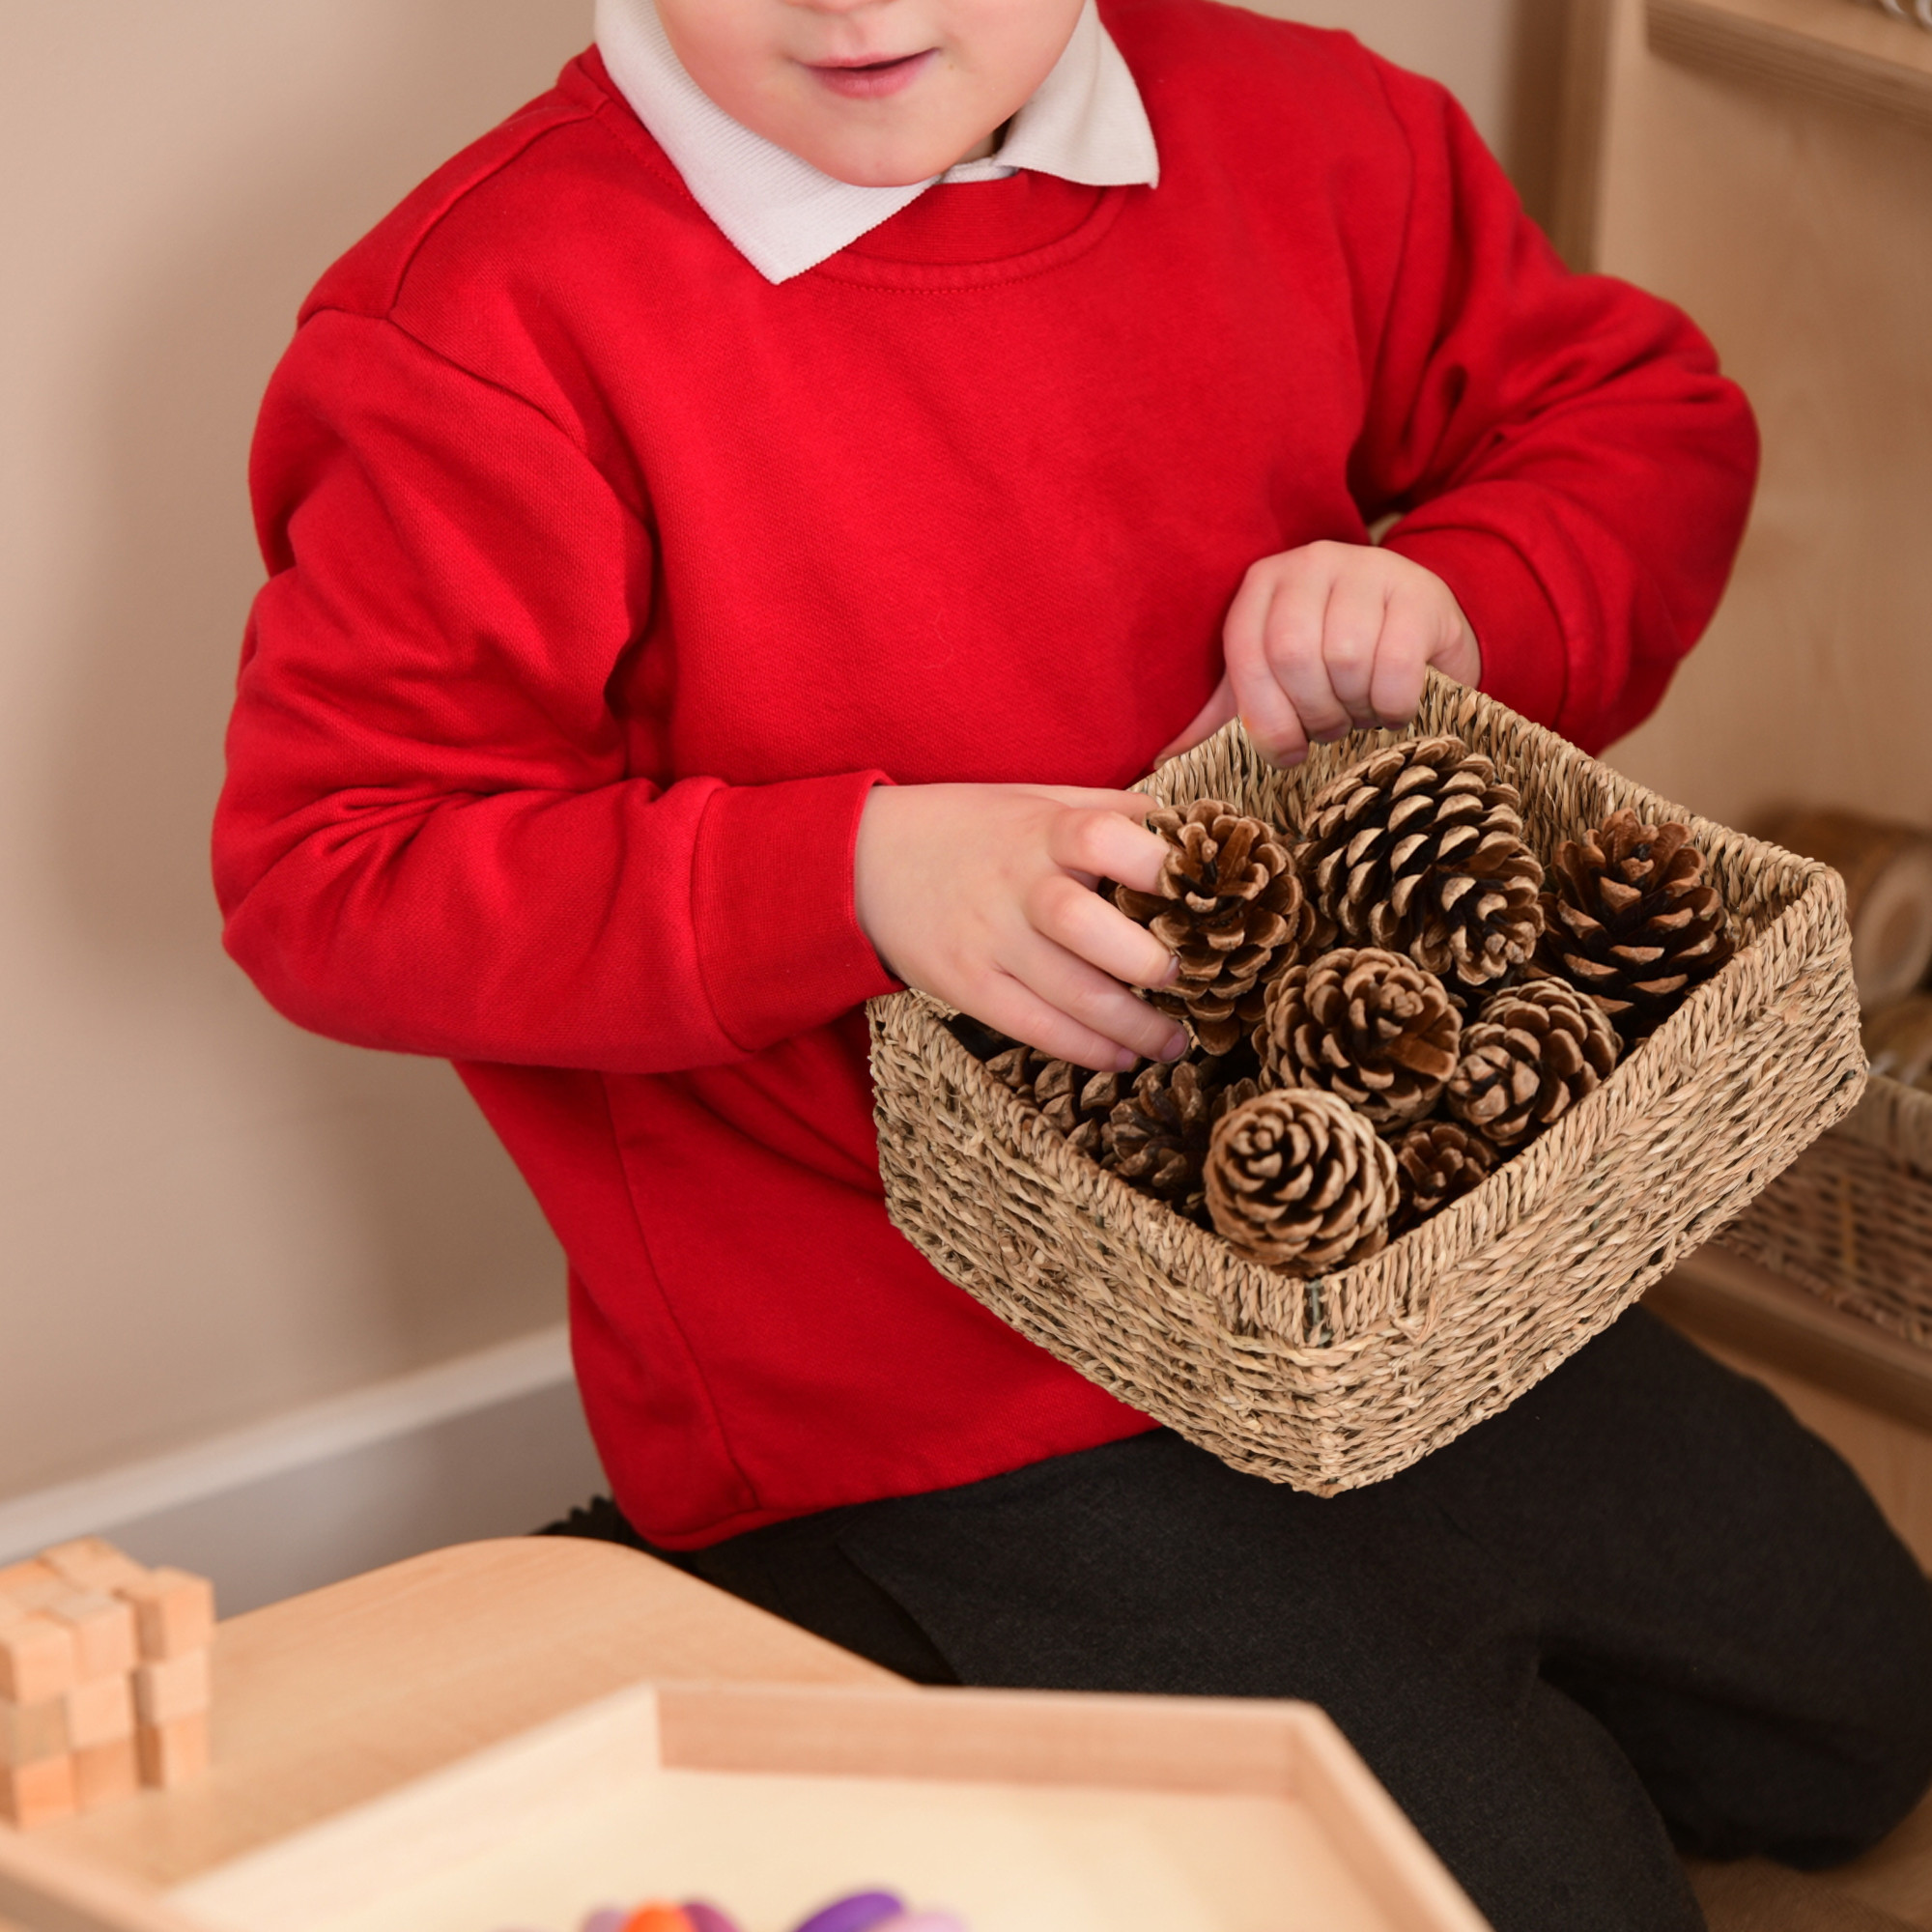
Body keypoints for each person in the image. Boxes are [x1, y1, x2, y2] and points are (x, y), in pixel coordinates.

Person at [212, 1, 1932, 1924]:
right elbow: (332, 869)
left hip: (1362, 1250)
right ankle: (785, 1591)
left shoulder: (1314, 132)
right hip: (920, 1380)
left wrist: (1461, 590)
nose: (861, 8)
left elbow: (1640, 422)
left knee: (1870, 1711)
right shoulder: (485, 324)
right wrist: (851, 872)